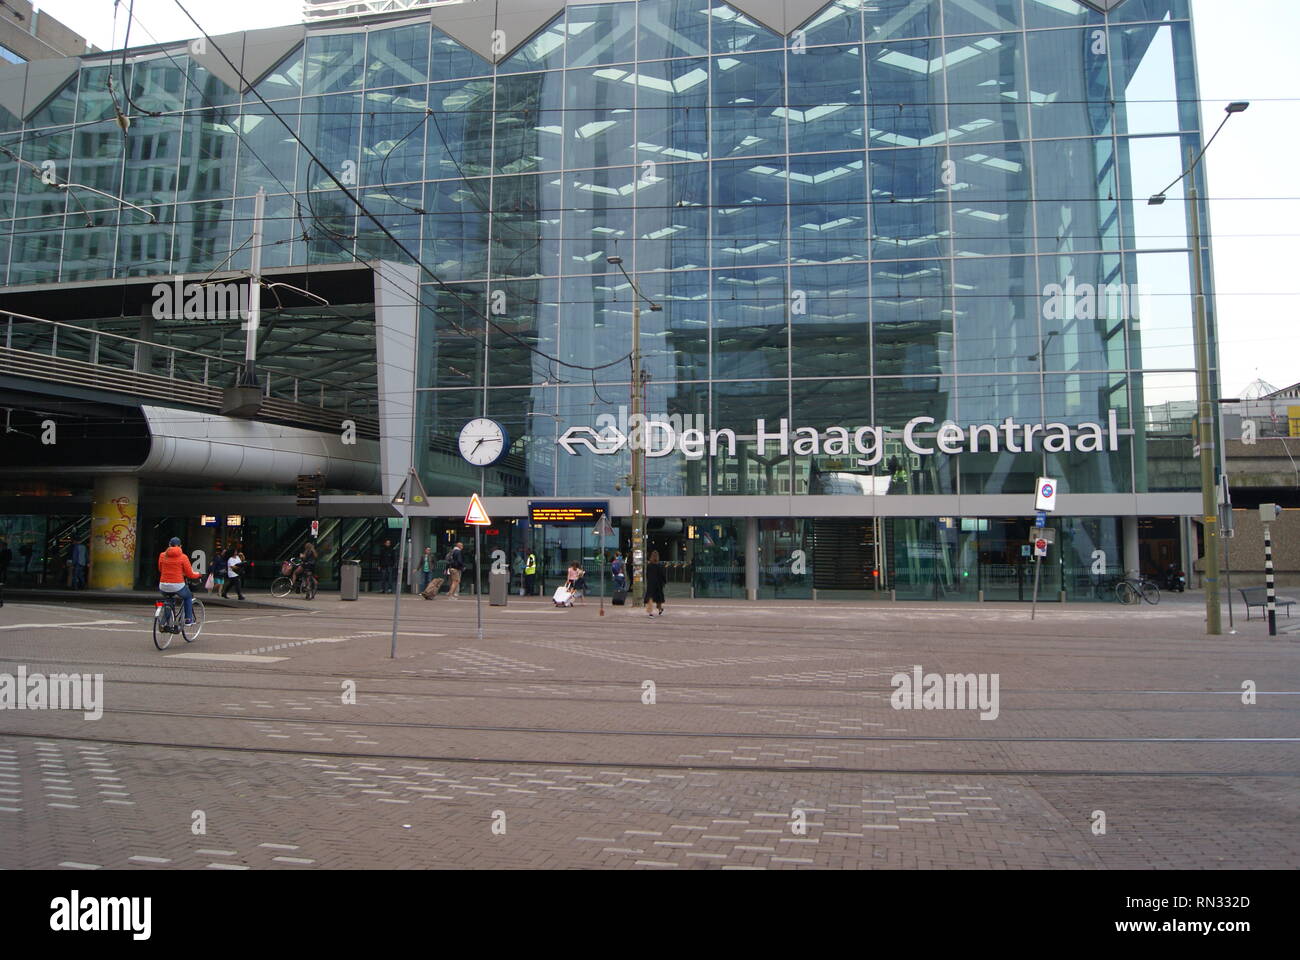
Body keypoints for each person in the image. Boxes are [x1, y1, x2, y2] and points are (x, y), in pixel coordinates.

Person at [158, 536, 198, 625]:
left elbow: (160, 569)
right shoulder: (183, 557)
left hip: (163, 585)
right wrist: (199, 575)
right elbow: (190, 574)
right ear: (180, 546)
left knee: (169, 599)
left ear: (169, 545)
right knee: (188, 597)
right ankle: (188, 619)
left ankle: (164, 623)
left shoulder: (162, 555)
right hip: (177, 585)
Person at [644, 549, 666, 618]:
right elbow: (662, 575)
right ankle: (660, 609)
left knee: (650, 597)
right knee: (658, 598)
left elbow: (647, 574)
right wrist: (664, 581)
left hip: (651, 583)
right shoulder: (659, 565)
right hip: (658, 584)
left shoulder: (649, 565)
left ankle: (650, 613)